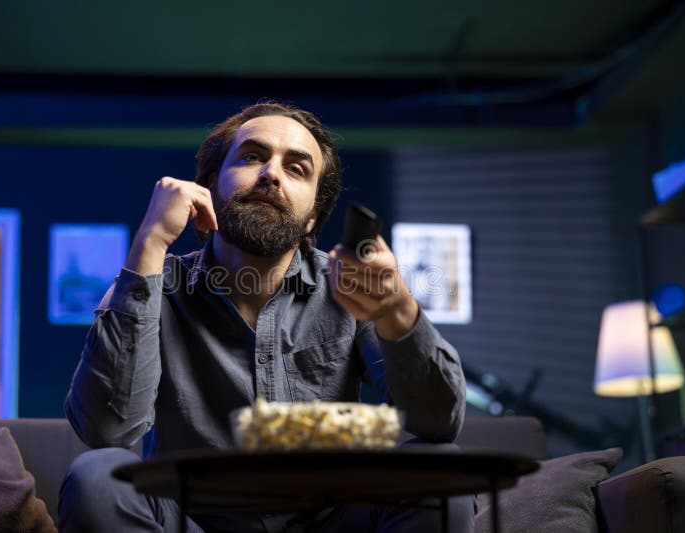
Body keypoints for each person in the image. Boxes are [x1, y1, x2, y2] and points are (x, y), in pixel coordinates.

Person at [60, 102, 471, 532]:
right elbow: (107, 433)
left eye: (296, 169)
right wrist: (149, 243)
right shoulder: (150, 284)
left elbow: (437, 424)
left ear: (313, 216)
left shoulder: (349, 289)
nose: (271, 173)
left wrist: (398, 311)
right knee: (97, 476)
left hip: (334, 522)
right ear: (209, 187)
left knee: (440, 468)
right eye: (252, 156)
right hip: (192, 523)